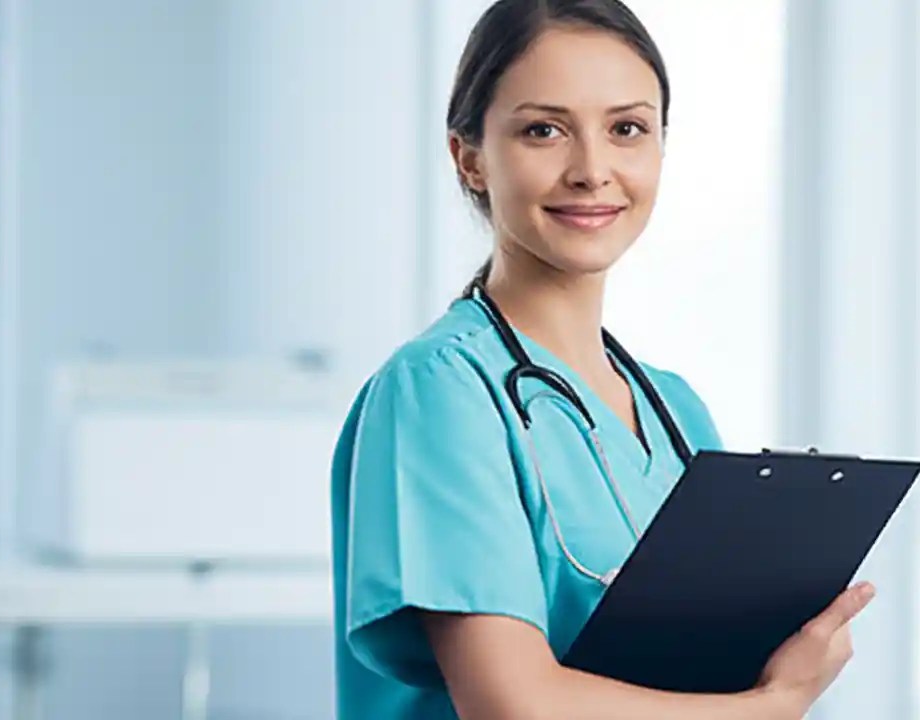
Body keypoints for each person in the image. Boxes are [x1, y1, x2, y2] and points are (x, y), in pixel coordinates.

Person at [330, 1, 875, 717]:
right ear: (469, 158)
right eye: (543, 130)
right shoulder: (440, 390)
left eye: (626, 129)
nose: (592, 171)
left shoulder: (675, 412)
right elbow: (513, 705)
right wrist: (772, 705)